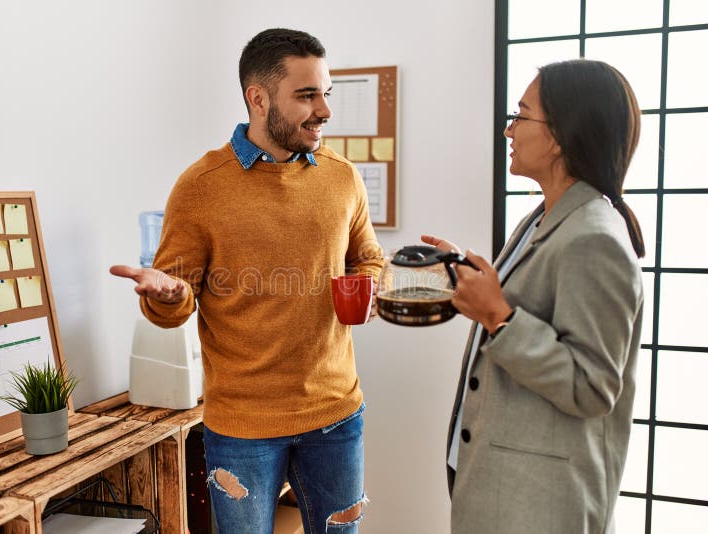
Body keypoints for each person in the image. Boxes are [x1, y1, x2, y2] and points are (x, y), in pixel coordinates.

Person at [110, 28, 383, 533]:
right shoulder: (201, 187)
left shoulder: (342, 176)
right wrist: (169, 295)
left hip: (337, 415)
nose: (324, 109)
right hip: (242, 428)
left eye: (326, 93)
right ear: (258, 99)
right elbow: (171, 302)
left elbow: (368, 258)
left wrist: (367, 288)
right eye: (306, 95)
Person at [423, 59, 645, 533]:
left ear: (561, 135)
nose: (509, 131)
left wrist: (499, 318)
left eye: (521, 116)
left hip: (539, 503)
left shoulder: (595, 238)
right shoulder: (543, 217)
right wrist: (473, 278)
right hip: (499, 484)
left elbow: (593, 386)